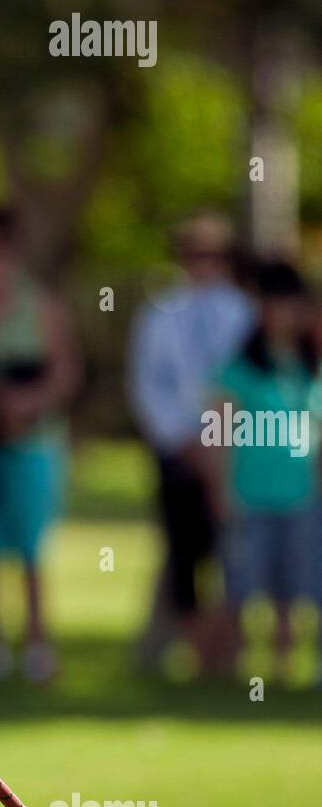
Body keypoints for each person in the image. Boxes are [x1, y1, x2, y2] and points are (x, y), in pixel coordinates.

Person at [128, 213, 253, 671]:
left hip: (236, 455)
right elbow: (147, 384)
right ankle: (190, 647)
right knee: (183, 549)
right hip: (179, 452)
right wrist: (185, 440)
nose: (203, 265)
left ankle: (228, 650)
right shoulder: (160, 313)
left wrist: (222, 444)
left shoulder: (245, 312)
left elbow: (248, 385)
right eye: (194, 254)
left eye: (212, 255)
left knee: (234, 550)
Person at [0, 208, 79, 683]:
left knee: (31, 546)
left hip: (35, 443)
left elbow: (66, 371)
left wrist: (28, 405)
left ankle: (36, 642)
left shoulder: (42, 304)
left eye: (1, 246)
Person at [209, 261, 318, 675]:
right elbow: (218, 435)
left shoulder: (307, 365)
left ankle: (283, 667)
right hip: (249, 494)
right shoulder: (238, 368)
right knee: (240, 586)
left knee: (292, 589)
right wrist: (221, 491)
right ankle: (231, 667)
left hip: (299, 495)